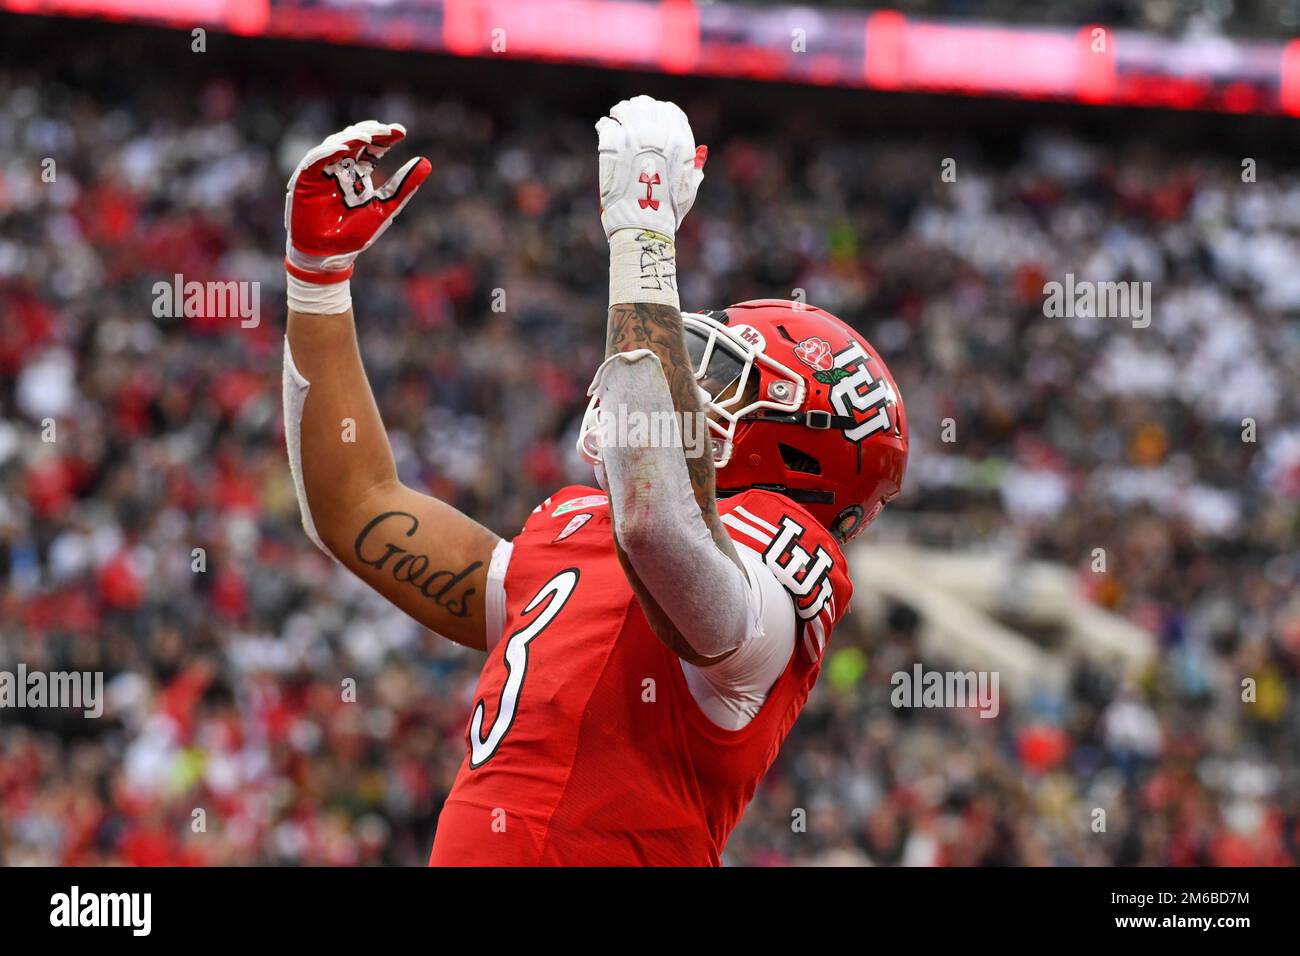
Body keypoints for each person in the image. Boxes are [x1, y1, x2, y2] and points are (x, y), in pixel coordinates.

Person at [280, 98, 908, 865]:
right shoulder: (575, 532)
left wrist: (643, 240)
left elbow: (659, 525)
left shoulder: (778, 578)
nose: (695, 386)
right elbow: (357, 509)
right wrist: (318, 281)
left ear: (804, 452)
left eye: (726, 378)